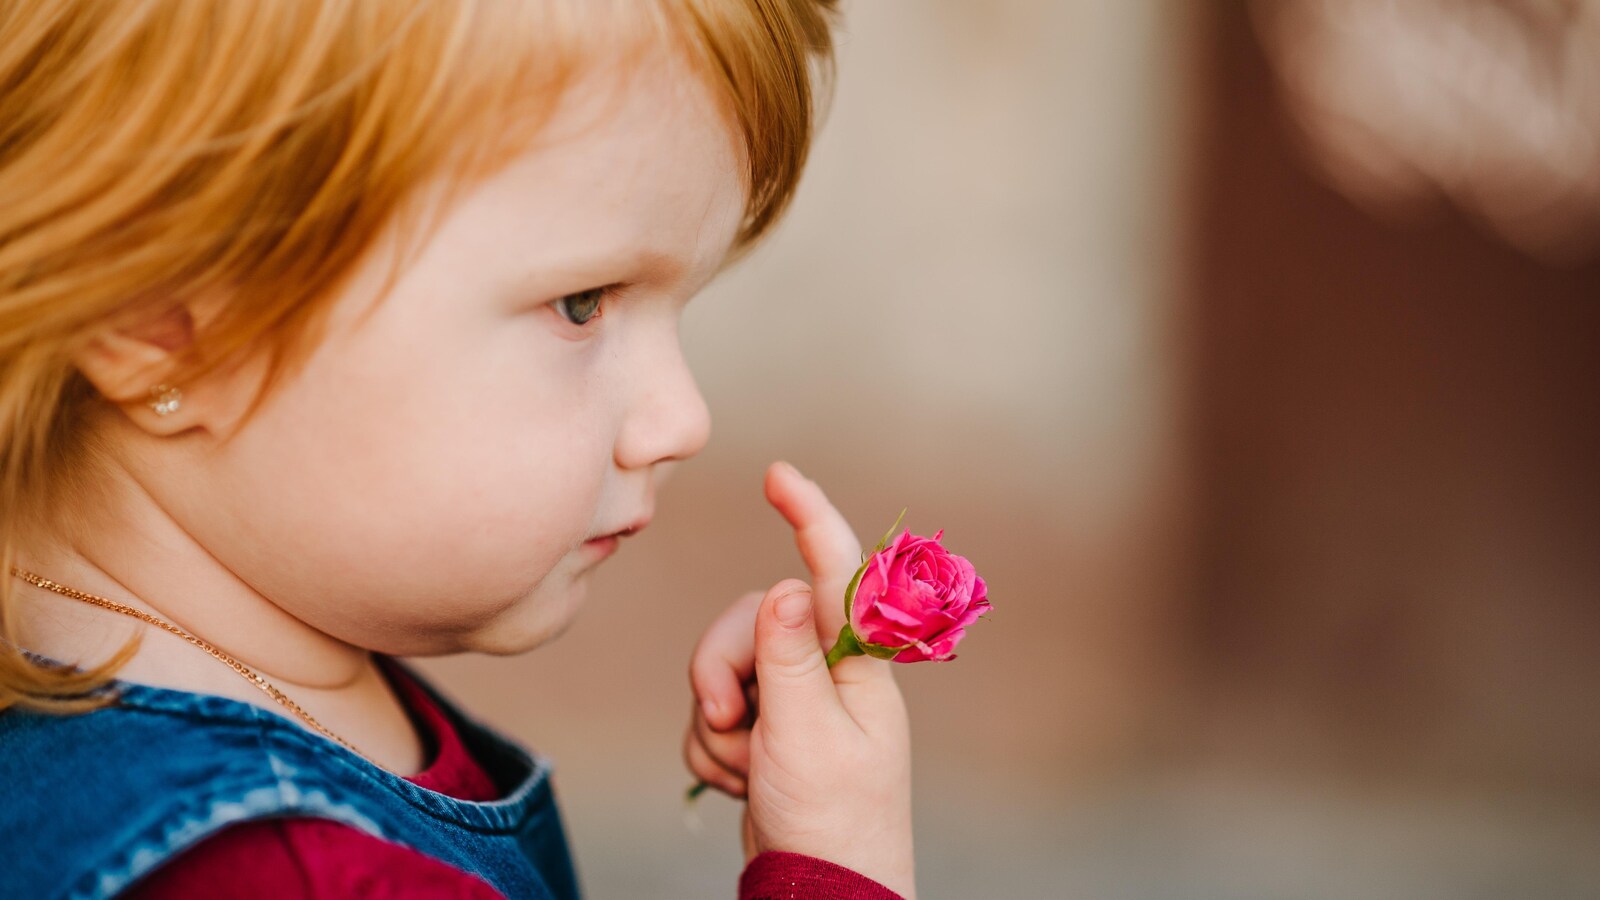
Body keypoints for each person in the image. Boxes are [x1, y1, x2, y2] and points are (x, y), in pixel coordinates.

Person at [0, 2, 916, 897]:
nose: (683, 419)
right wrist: (836, 865)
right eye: (583, 303)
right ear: (170, 329)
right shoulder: (297, 878)